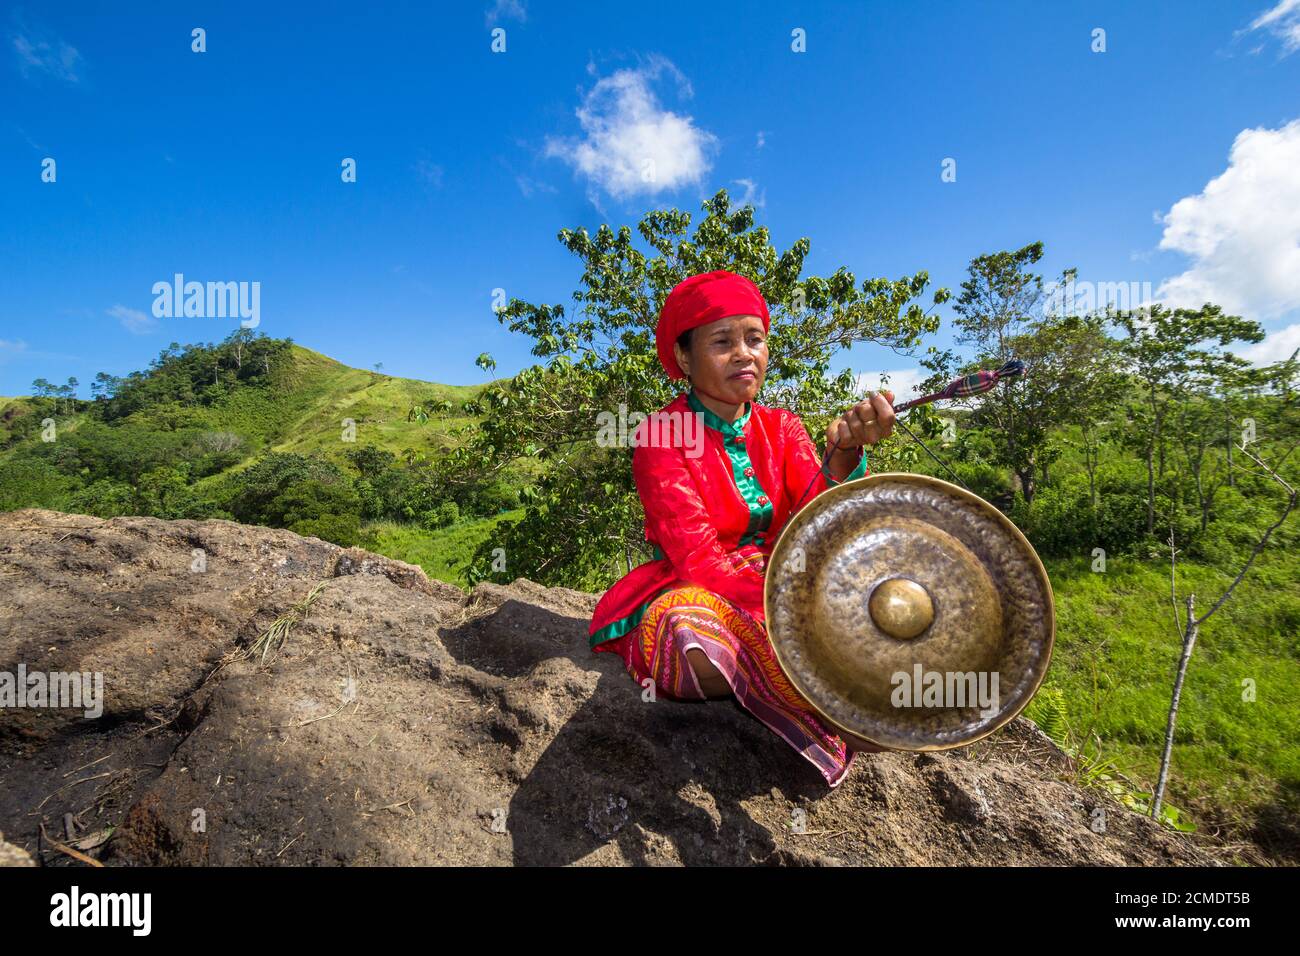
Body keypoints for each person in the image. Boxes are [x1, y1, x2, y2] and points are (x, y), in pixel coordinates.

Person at [588, 269, 896, 788]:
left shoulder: (783, 426)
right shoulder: (661, 436)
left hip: (789, 574)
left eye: (754, 339)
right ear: (685, 358)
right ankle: (833, 701)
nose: (744, 353)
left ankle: (807, 683)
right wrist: (790, 618)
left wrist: (845, 452)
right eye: (722, 341)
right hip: (704, 586)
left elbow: (819, 520)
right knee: (687, 636)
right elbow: (700, 561)